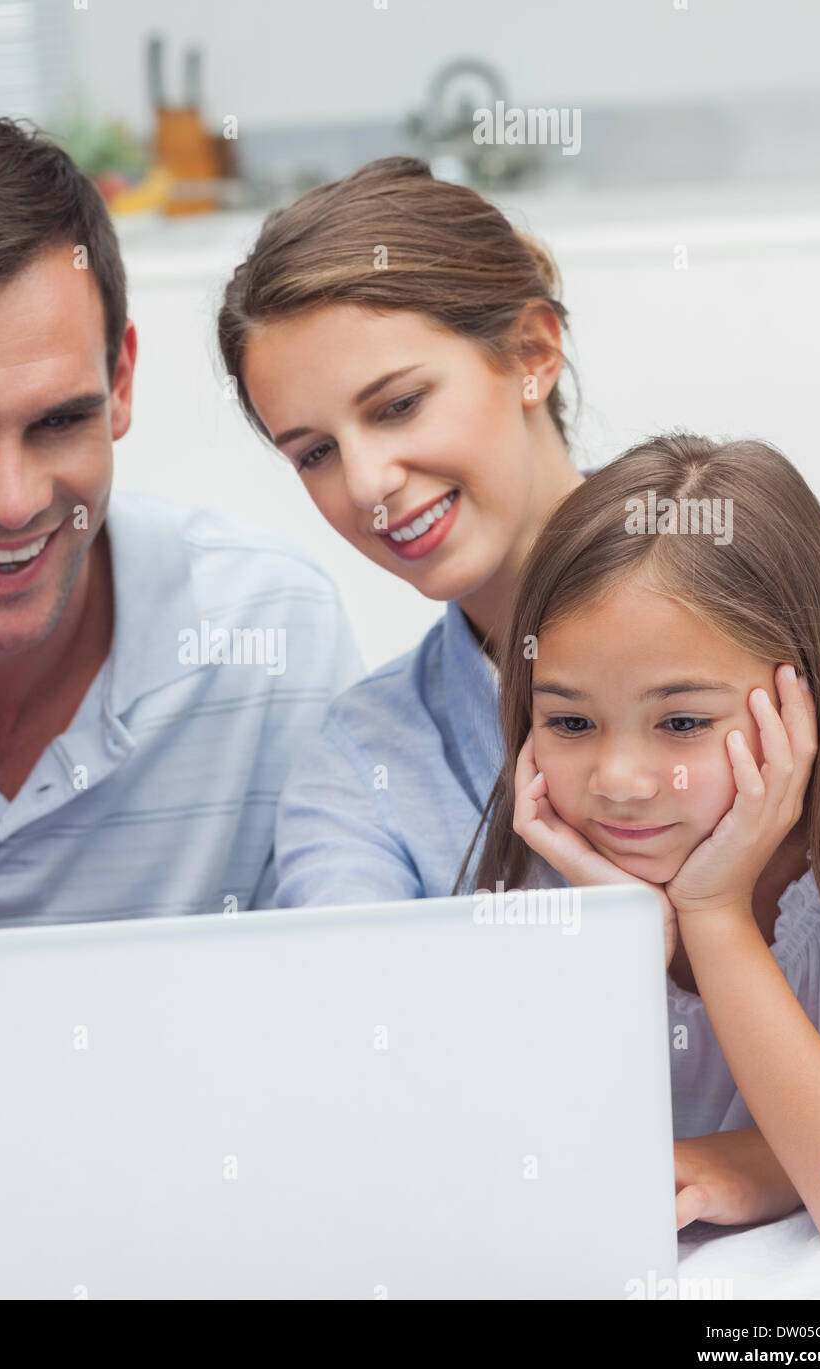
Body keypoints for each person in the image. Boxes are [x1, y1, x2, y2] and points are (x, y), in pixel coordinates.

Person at [0, 112, 363, 927]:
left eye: (58, 422)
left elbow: (350, 994)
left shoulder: (271, 637)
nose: (13, 501)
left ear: (121, 380)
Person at [468, 433, 820, 1251]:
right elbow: (526, 1182)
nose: (619, 779)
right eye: (571, 721)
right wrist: (615, 949)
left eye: (684, 721)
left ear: (805, 701)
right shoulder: (541, 888)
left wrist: (714, 913)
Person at [218, 155, 585, 906]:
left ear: (532, 353)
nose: (366, 484)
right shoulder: (359, 769)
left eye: (398, 406)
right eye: (315, 452)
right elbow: (363, 1015)